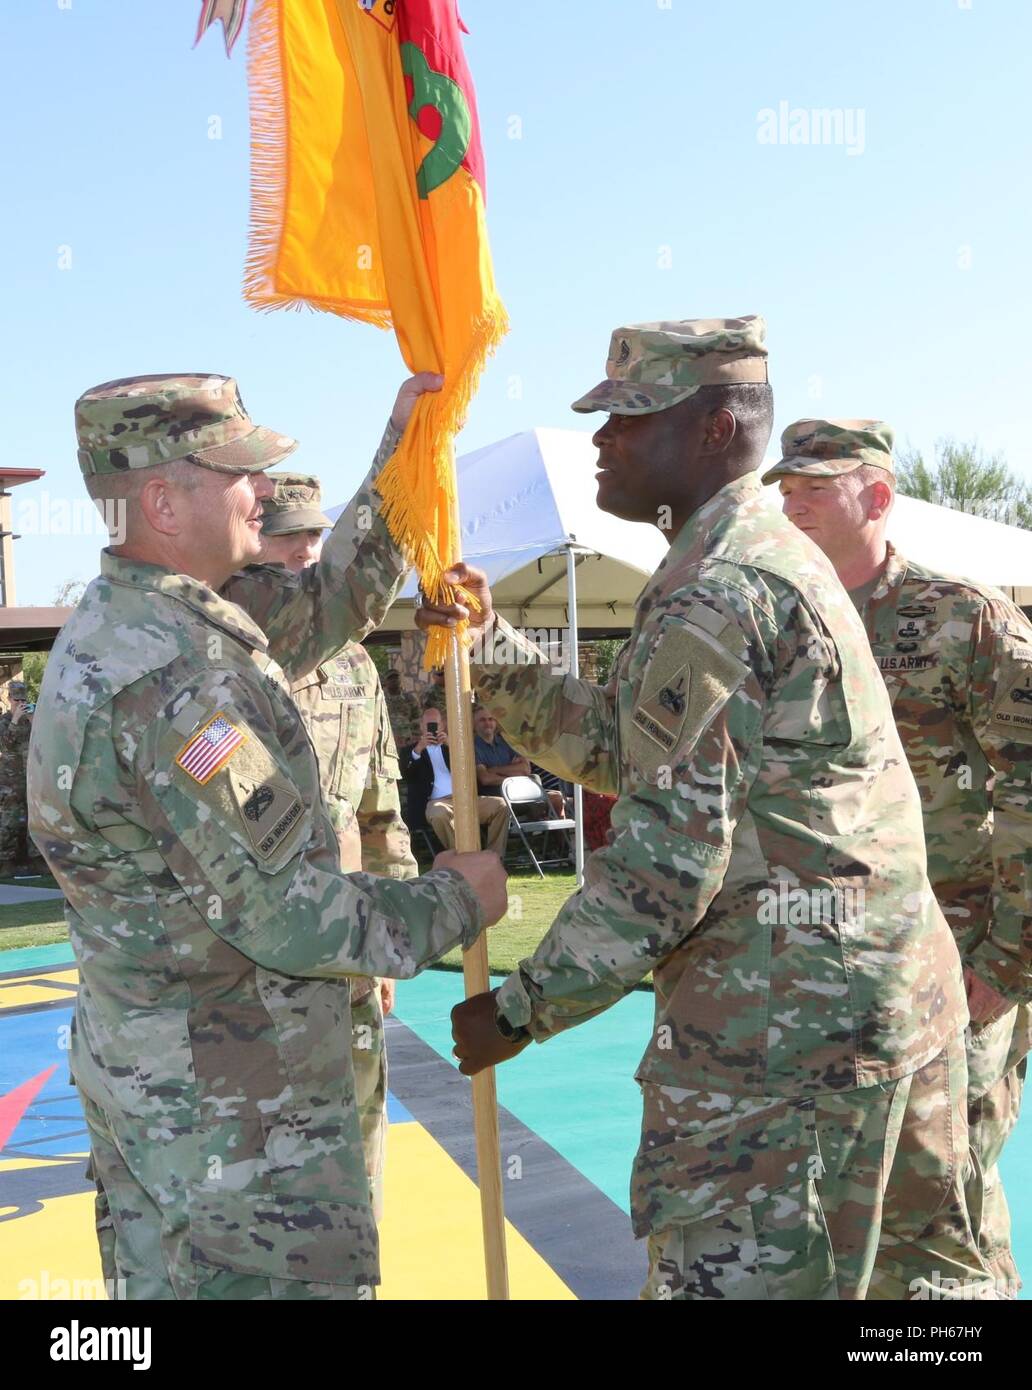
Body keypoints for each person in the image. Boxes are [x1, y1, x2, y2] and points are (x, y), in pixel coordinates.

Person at [429, 316, 994, 1300]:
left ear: (713, 430)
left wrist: (520, 1009)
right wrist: (493, 649)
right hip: (882, 1013)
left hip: (783, 1055)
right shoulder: (757, 557)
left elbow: (666, 865)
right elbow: (628, 744)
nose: (604, 441)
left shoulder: (719, 588)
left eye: (630, 419)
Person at [27, 371, 507, 1300]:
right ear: (163, 501)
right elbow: (287, 916)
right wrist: (458, 900)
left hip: (172, 1092)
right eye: (238, 471)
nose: (263, 491)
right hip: (235, 1122)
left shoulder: (149, 621)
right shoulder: (177, 680)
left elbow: (335, 598)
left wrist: (406, 451)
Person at [766, 417, 1032, 1298]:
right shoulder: (778, 623)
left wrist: (1007, 960)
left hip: (958, 956)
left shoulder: (964, 616)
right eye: (787, 489)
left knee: (944, 1195)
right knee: (837, 1192)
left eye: (815, 487)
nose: (792, 502)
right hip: (822, 961)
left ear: (876, 496)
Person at [224, 468, 417, 1222]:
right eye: (286, 534)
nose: (306, 549)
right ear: (249, 545)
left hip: (349, 948)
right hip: (252, 957)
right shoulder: (228, 657)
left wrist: (392, 930)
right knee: (262, 1156)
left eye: (315, 534)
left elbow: (381, 804)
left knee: (361, 1128)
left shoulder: (357, 666)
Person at [402, 706, 510, 859]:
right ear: (421, 726)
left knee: (501, 806)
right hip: (436, 802)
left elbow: (470, 766)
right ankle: (463, 857)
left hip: (465, 800)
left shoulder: (454, 746)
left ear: (443, 725)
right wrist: (419, 749)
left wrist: (451, 745)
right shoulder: (411, 751)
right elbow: (406, 774)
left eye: (436, 725)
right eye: (429, 725)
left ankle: (494, 858)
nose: (432, 729)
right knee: (438, 813)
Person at [0, 680, 33, 875]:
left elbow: (43, 741)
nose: (19, 703)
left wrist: (32, 719)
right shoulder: (4, 721)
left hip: (31, 778)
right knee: (9, 821)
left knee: (33, 819)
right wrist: (14, 720)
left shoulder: (30, 720)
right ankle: (6, 862)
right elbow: (5, 745)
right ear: (9, 698)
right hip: (9, 781)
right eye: (16, 699)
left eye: (23, 699)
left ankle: (35, 858)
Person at [383, 668, 420, 751]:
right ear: (385, 682)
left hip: (407, 741)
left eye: (396, 678)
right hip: (388, 741)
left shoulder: (409, 698)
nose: (394, 680)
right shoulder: (381, 699)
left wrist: (415, 736)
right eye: (390, 678)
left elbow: (417, 718)